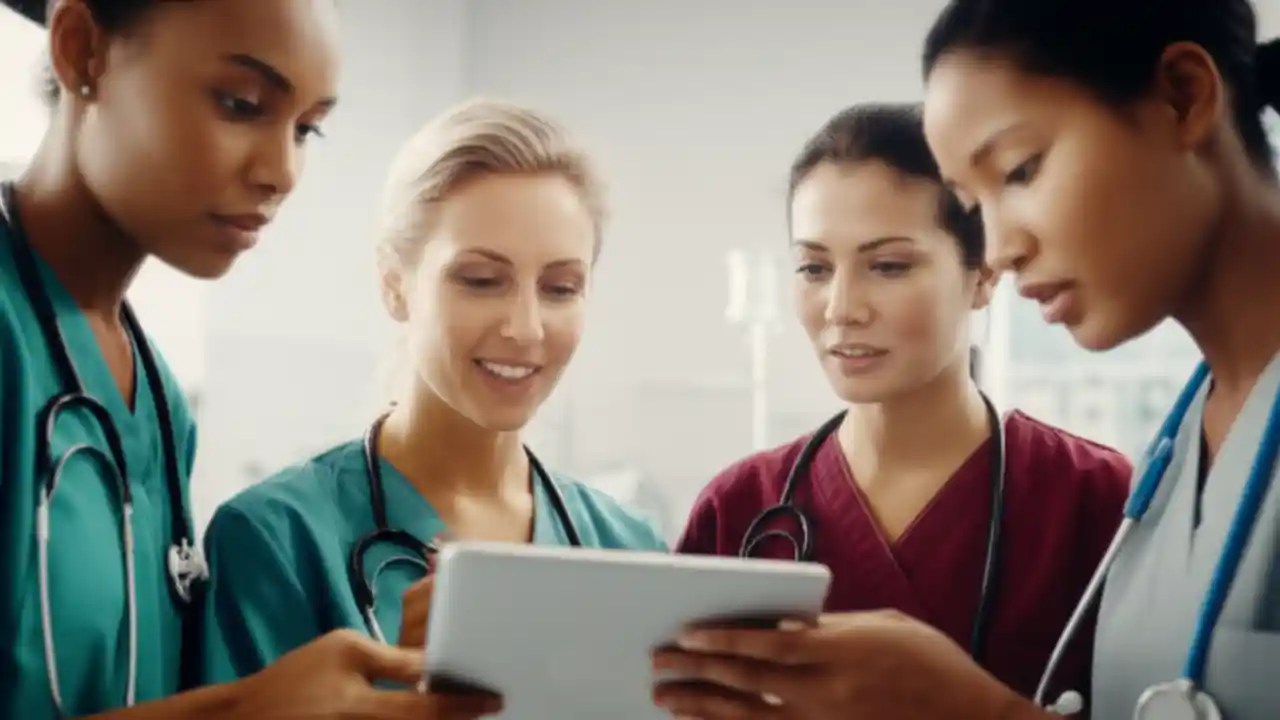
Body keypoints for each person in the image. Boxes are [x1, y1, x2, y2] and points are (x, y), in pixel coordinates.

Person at [650, 0, 1280, 719]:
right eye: (813, 267)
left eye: (1019, 170)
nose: (1003, 250)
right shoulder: (1177, 473)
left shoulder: (1095, 498)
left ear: (1184, 97)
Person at [0, 0, 502, 718]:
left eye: (306, 128)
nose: (283, 172)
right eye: (241, 104)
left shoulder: (160, 404)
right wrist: (244, 710)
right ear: (83, 51)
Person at [673, 103, 1131, 706]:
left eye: (887, 266)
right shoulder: (737, 509)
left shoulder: (1095, 502)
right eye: (813, 267)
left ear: (985, 272)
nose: (841, 307)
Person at [197, 98, 668, 682]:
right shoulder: (278, 540)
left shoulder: (629, 547)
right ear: (396, 285)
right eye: (480, 280)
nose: (525, 327)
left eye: (561, 287)